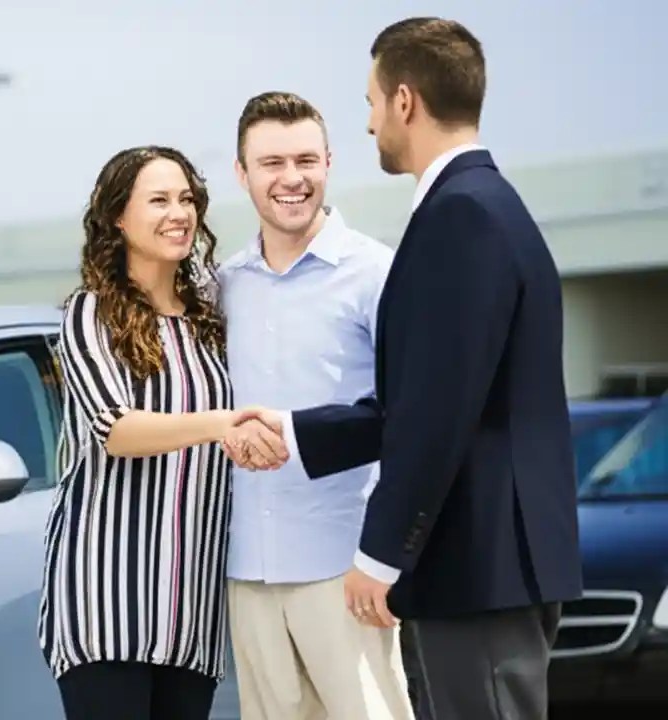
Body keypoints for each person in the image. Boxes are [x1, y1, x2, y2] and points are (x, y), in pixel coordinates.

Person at [234, 17, 584, 720]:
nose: (369, 125)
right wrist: (298, 431)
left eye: (369, 103)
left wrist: (380, 554)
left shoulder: (461, 216)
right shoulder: (485, 205)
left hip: (482, 562)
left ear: (403, 101)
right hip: (494, 563)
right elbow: (428, 399)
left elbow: (435, 412)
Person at [37, 145, 267, 720]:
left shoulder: (210, 316)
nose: (179, 213)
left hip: (191, 608)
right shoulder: (92, 314)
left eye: (186, 198)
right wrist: (218, 424)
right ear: (118, 217)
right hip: (107, 603)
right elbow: (115, 428)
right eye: (159, 200)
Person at [217, 91, 412, 720]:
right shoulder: (224, 285)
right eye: (271, 163)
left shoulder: (378, 272)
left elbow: (411, 414)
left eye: (306, 158)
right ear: (242, 173)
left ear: (329, 161)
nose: (291, 178)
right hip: (247, 571)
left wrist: (386, 560)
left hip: (345, 571)